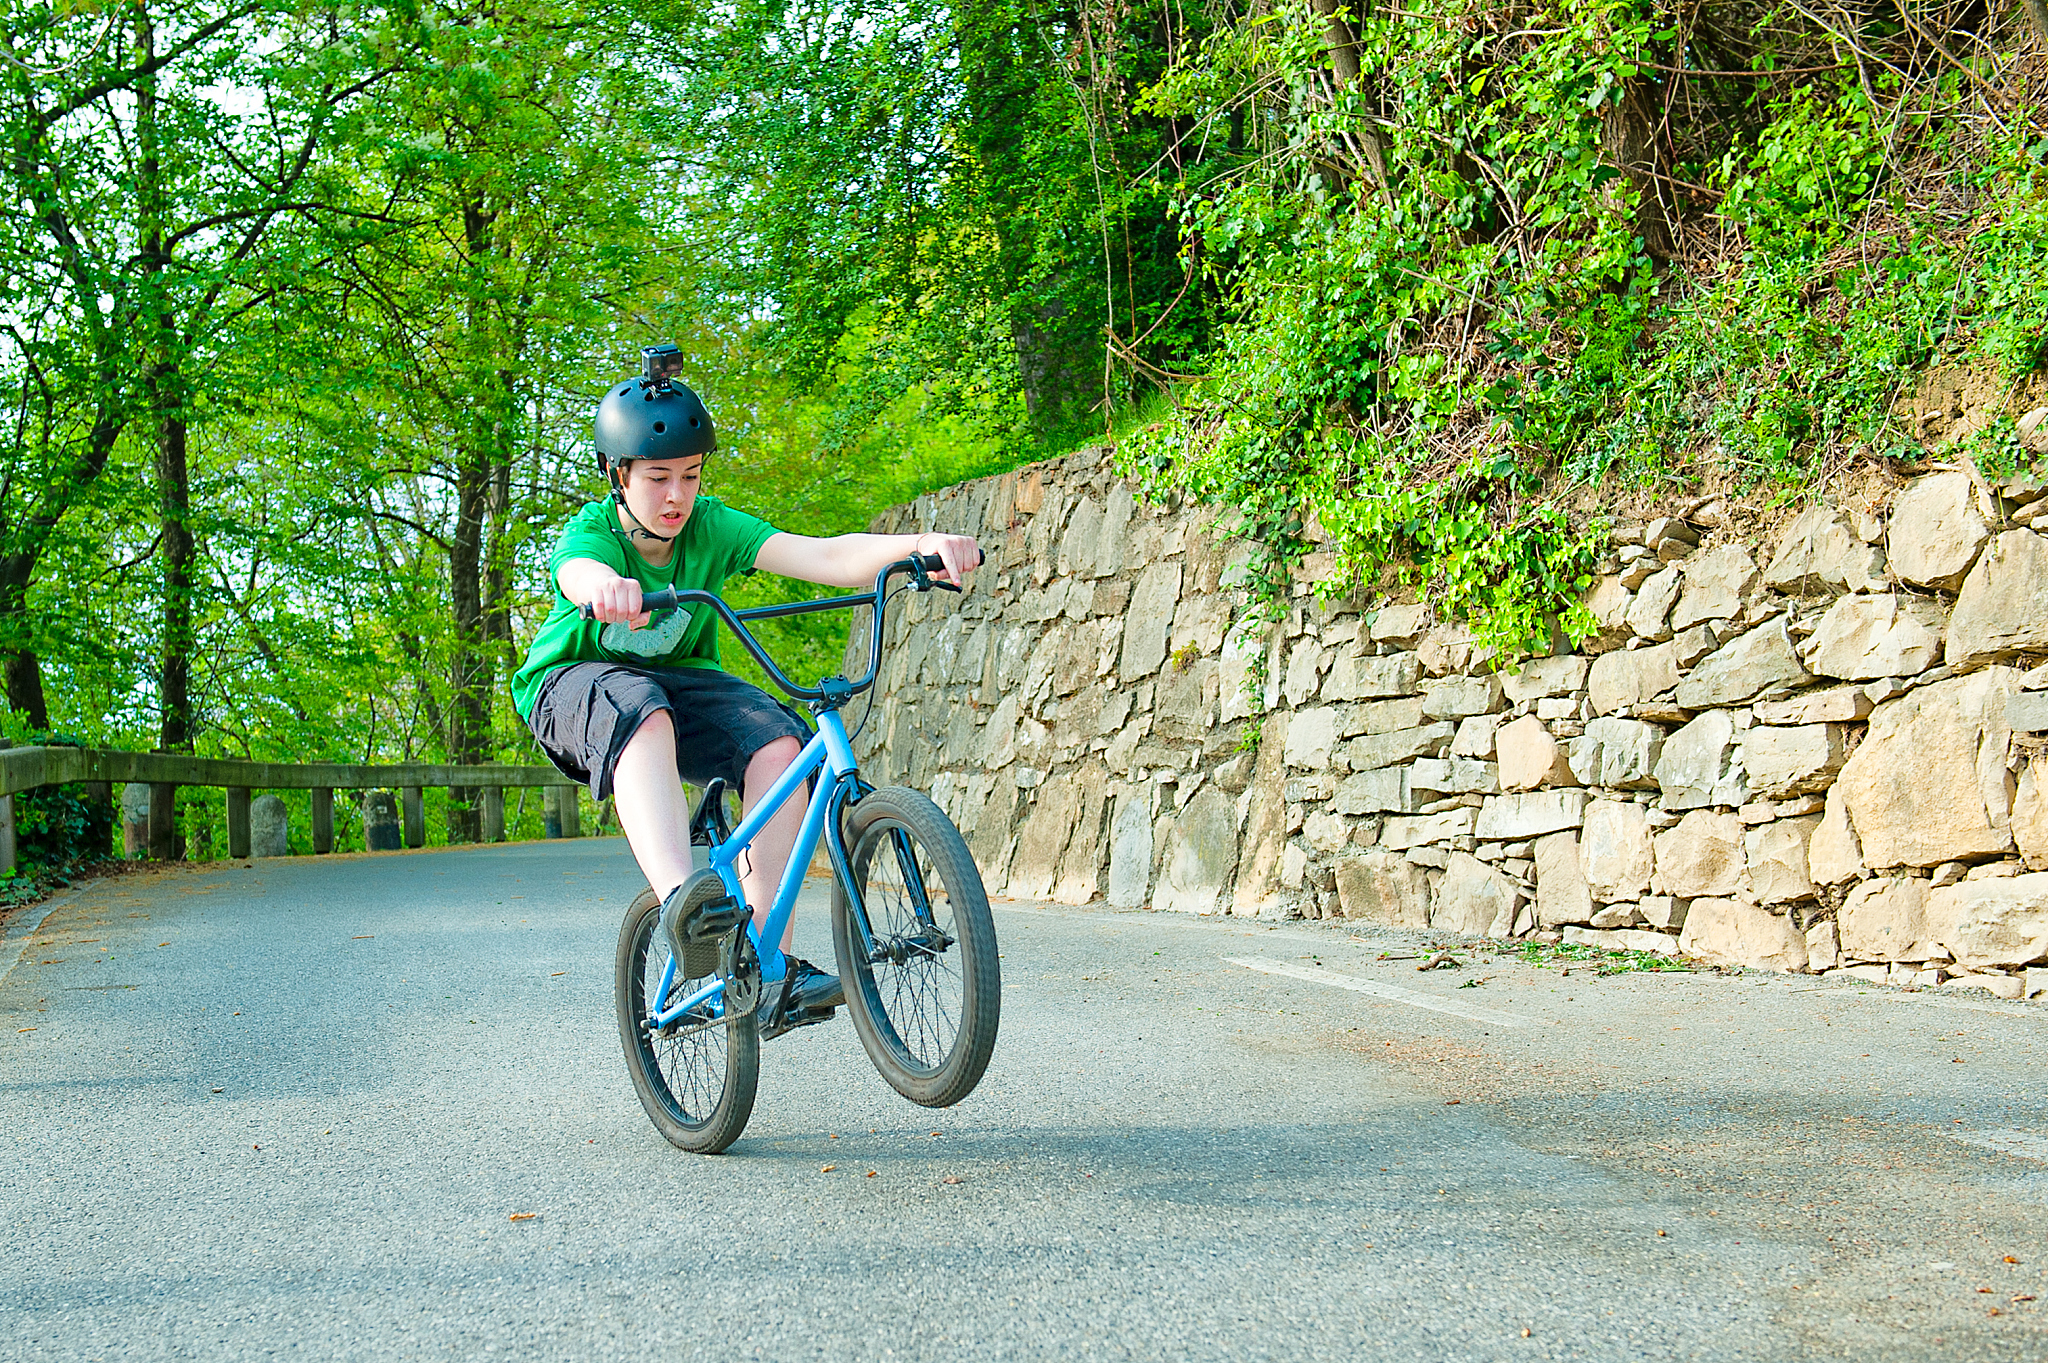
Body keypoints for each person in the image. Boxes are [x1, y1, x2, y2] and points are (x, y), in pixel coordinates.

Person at [512, 345, 980, 1032]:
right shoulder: (595, 531)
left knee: (783, 743)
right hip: (572, 685)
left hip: (677, 683)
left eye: (691, 476)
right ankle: (685, 903)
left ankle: (766, 964)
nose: (678, 496)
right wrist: (604, 588)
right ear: (618, 476)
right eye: (659, 478)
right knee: (644, 715)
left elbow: (820, 554)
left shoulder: (710, 525)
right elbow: (574, 571)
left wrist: (920, 545)